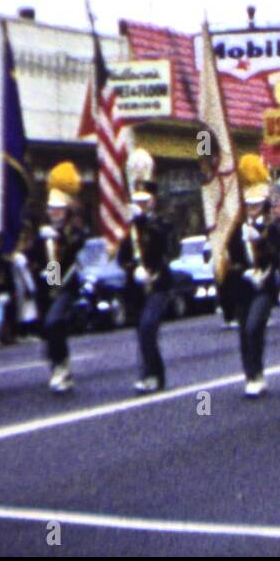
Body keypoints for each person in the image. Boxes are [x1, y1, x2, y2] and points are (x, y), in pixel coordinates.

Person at [225, 154, 280, 398]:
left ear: (264, 205)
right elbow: (231, 258)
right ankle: (252, 375)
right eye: (249, 204)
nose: (252, 208)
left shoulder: (273, 229)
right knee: (244, 333)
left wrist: (260, 242)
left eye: (257, 204)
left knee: (254, 327)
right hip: (244, 286)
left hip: (264, 286)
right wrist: (241, 270)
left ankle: (258, 371)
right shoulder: (236, 229)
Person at [117, 149, 177, 394]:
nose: (141, 204)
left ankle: (150, 374)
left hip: (158, 282)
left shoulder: (160, 222)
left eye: (145, 200)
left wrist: (141, 223)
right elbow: (122, 257)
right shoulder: (128, 228)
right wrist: (132, 268)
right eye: (137, 201)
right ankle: (155, 374)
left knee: (148, 326)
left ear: (152, 201)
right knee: (143, 332)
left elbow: (166, 246)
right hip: (137, 285)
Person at [31, 161, 88, 393]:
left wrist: (57, 238)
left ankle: (62, 368)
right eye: (52, 209)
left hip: (65, 285)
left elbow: (75, 246)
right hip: (48, 287)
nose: (55, 213)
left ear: (66, 210)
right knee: (49, 329)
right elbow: (35, 257)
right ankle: (59, 366)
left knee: (55, 322)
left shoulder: (73, 231)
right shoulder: (44, 233)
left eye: (59, 209)